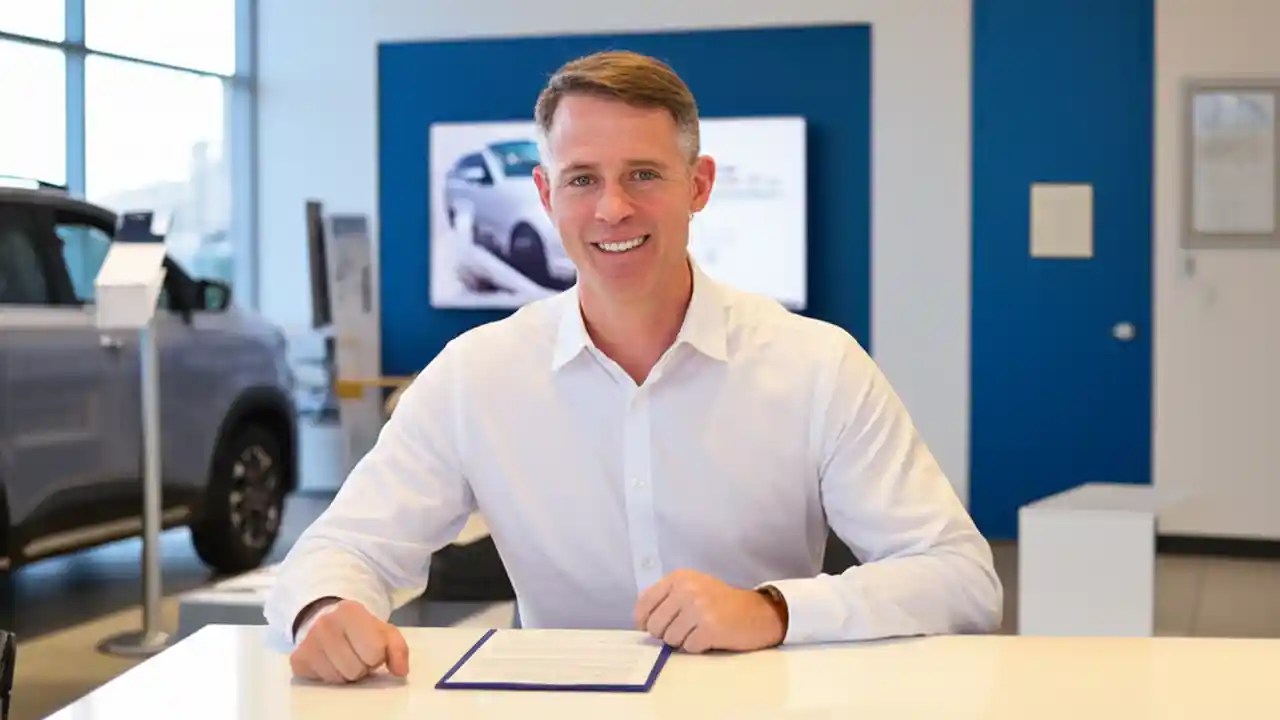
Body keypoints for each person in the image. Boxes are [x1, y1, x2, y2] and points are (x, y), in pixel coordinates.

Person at [266, 50, 1003, 684]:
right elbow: (344, 546)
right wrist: (325, 610)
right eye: (582, 179)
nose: (612, 208)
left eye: (644, 174)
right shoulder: (475, 373)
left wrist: (774, 610)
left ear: (700, 185)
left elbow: (960, 579)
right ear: (548, 196)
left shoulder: (817, 365)